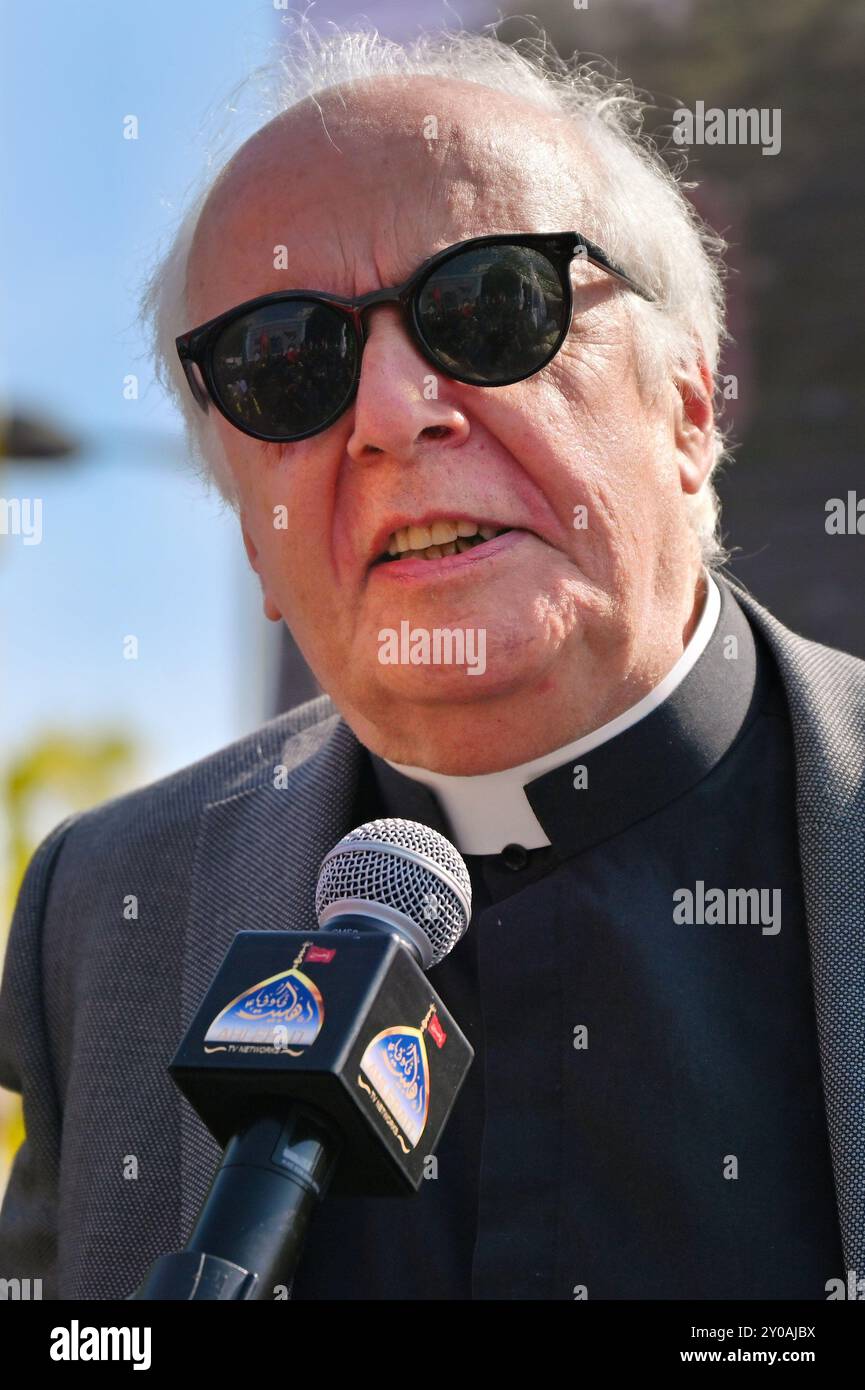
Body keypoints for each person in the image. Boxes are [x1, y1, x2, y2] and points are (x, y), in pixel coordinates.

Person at [1, 23, 862, 1301]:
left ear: (688, 401)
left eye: (490, 305)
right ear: (252, 529)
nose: (396, 414)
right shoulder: (108, 904)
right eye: (287, 364)